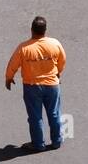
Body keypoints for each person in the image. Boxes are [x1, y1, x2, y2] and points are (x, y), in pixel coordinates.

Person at [5, 16, 66, 152]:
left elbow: (12, 65)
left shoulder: (24, 48)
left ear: (31, 30)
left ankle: (38, 144)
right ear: (45, 30)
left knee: (35, 116)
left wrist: (9, 78)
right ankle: (56, 141)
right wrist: (57, 73)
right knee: (54, 113)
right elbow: (62, 61)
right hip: (52, 86)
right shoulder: (55, 44)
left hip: (32, 87)